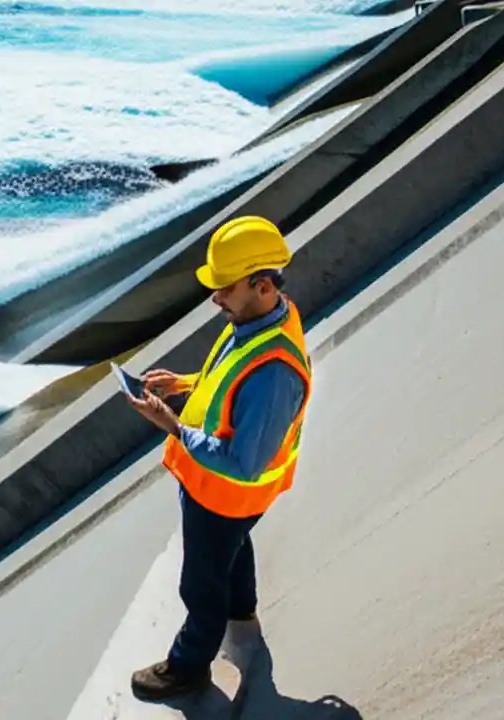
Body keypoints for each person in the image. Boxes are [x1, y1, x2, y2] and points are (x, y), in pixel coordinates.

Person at [124, 215, 313, 701]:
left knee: (201, 586)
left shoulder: (274, 373)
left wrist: (174, 427)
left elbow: (243, 461)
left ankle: (186, 667)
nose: (215, 297)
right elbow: (230, 379)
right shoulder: (257, 320)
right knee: (232, 552)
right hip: (222, 498)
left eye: (225, 287)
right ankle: (242, 614)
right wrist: (185, 385)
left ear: (263, 284)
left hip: (225, 493)